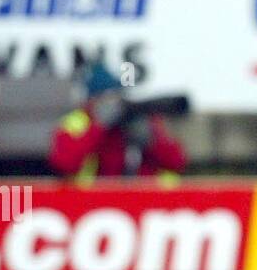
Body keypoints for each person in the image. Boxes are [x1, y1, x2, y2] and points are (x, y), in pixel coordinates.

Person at [49, 63, 188, 182]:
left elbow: (177, 162)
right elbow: (65, 164)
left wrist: (152, 141)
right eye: (104, 98)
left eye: (116, 96)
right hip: (91, 200)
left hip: (145, 198)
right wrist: (99, 127)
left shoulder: (139, 119)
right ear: (89, 100)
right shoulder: (76, 123)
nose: (112, 103)